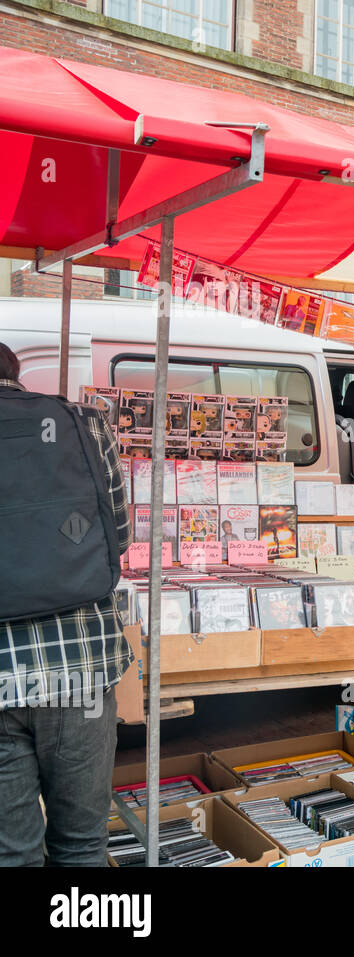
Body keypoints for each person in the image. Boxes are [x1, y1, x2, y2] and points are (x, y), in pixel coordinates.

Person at [0, 344, 132, 866]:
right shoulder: (83, 423)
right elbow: (116, 535)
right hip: (80, 668)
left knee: (12, 853)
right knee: (81, 846)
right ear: (16, 373)